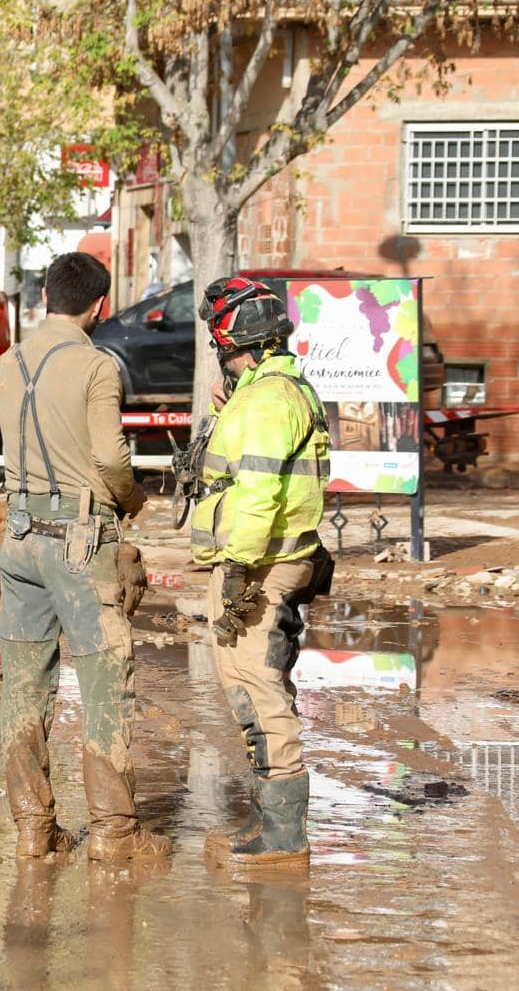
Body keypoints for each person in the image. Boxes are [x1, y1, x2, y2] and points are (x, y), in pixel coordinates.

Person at [0, 251, 165, 864]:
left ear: (43, 294)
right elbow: (111, 460)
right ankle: (116, 834)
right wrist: (133, 500)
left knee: (23, 685)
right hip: (80, 541)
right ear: (100, 306)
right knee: (104, 679)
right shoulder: (96, 366)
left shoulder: (7, 363)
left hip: (18, 539)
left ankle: (33, 830)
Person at [193, 276, 332, 867]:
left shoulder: (268, 400)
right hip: (271, 557)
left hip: (265, 561)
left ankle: (283, 837)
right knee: (247, 681)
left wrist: (237, 569)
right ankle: (269, 819)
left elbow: (255, 494)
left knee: (259, 685)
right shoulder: (267, 391)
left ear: (233, 341)